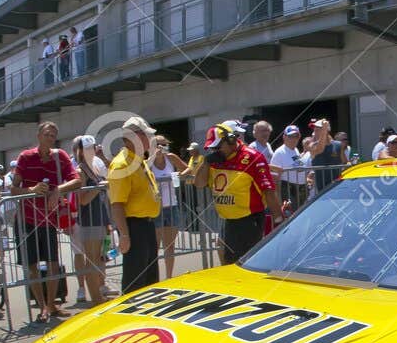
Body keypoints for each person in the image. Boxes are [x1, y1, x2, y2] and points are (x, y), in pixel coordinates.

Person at [13, 120, 80, 323]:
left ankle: (51, 304)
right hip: (26, 218)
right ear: (38, 135)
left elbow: (77, 180)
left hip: (49, 219)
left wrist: (58, 190)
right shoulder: (25, 157)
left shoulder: (60, 156)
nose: (50, 138)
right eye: (47, 134)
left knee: (53, 263)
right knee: (32, 265)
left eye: (53, 135)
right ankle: (41, 306)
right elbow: (13, 189)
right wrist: (31, 190)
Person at [196, 120, 282, 264]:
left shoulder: (252, 157)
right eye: (212, 148)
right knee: (227, 262)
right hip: (226, 220)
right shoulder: (214, 160)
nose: (214, 151)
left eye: (218, 146)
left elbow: (269, 191)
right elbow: (199, 184)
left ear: (231, 140)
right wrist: (205, 163)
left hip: (247, 220)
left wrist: (279, 221)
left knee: (244, 263)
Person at [108, 117, 163, 295]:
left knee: (149, 280)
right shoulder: (121, 165)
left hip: (146, 225)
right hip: (134, 227)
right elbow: (117, 204)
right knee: (135, 282)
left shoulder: (138, 161)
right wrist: (124, 235)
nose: (150, 139)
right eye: (146, 135)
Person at [70, 136, 111, 309]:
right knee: (92, 260)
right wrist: (99, 187)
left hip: (99, 217)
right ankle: (95, 299)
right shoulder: (80, 170)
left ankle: (98, 296)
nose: (91, 150)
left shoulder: (93, 166)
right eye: (87, 148)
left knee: (98, 258)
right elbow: (83, 200)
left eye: (92, 147)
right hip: (89, 219)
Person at [150, 135, 188, 281]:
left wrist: (178, 175)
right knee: (154, 248)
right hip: (155, 208)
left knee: (169, 247)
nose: (161, 147)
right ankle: (154, 280)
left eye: (164, 144)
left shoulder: (171, 158)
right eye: (158, 144)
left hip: (171, 206)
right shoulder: (149, 161)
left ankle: (169, 277)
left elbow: (188, 169)